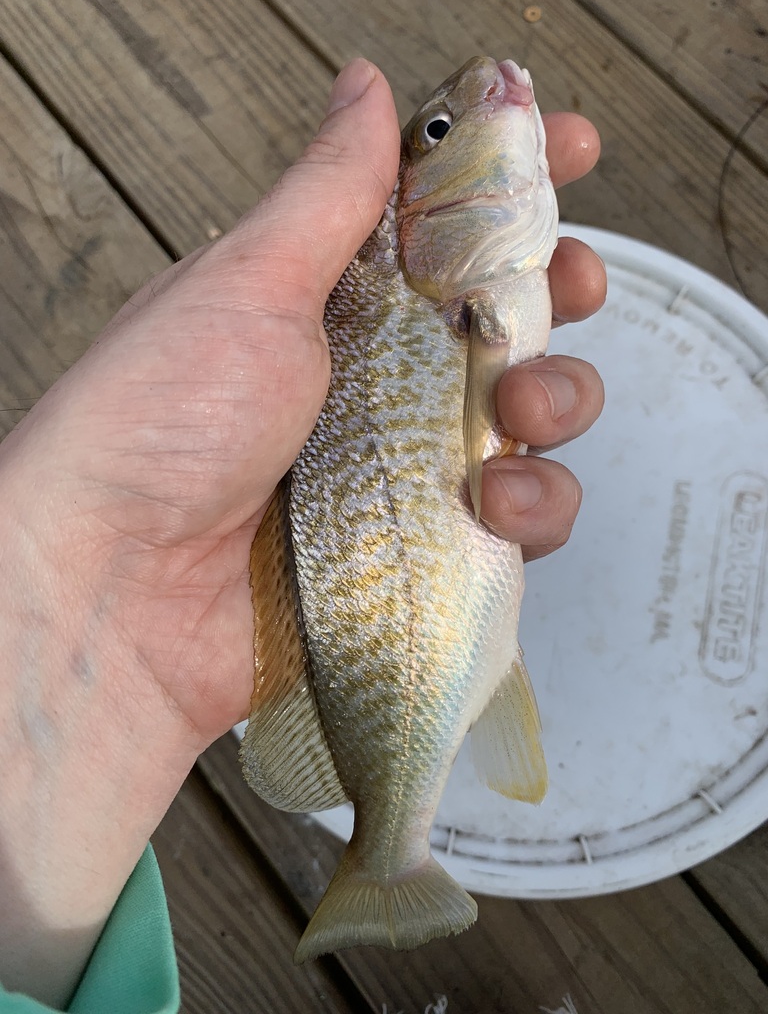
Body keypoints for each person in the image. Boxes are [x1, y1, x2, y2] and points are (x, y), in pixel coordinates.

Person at [0, 59, 605, 1012]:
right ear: (410, 215)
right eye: (439, 133)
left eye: (434, 130)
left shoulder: (436, 293)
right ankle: (390, 854)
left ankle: (387, 847)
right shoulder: (414, 288)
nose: (487, 92)